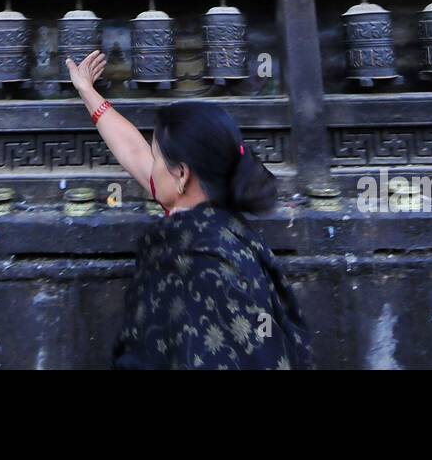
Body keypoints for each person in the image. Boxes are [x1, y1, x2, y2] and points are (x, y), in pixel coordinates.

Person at [66, 49, 314, 370]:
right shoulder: (212, 221)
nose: (149, 167)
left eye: (157, 159)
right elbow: (132, 149)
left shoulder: (204, 263)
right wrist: (87, 90)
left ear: (182, 175)